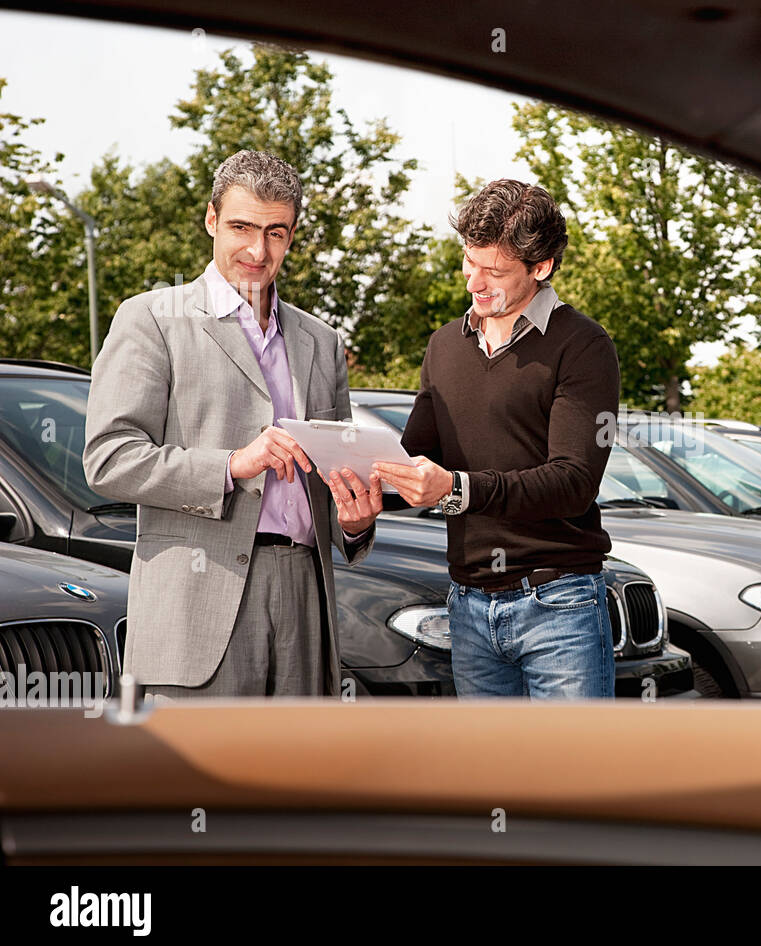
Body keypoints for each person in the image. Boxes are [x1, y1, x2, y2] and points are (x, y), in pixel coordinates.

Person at [83, 149, 382, 699]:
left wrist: (355, 522)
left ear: (291, 236)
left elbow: (339, 468)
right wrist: (232, 465)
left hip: (304, 597)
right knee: (198, 784)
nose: (257, 249)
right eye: (242, 226)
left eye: (275, 232)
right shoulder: (151, 318)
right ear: (211, 220)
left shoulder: (321, 339)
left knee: (298, 780)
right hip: (200, 598)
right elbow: (109, 459)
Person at [373, 179, 620, 698]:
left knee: (572, 778)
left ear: (541, 267)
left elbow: (573, 482)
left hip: (560, 605)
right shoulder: (444, 345)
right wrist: (364, 486)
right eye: (469, 262)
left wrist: (459, 488)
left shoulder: (583, 346)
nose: (474, 283)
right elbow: (416, 461)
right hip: (466, 606)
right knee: (490, 780)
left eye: (494, 271)